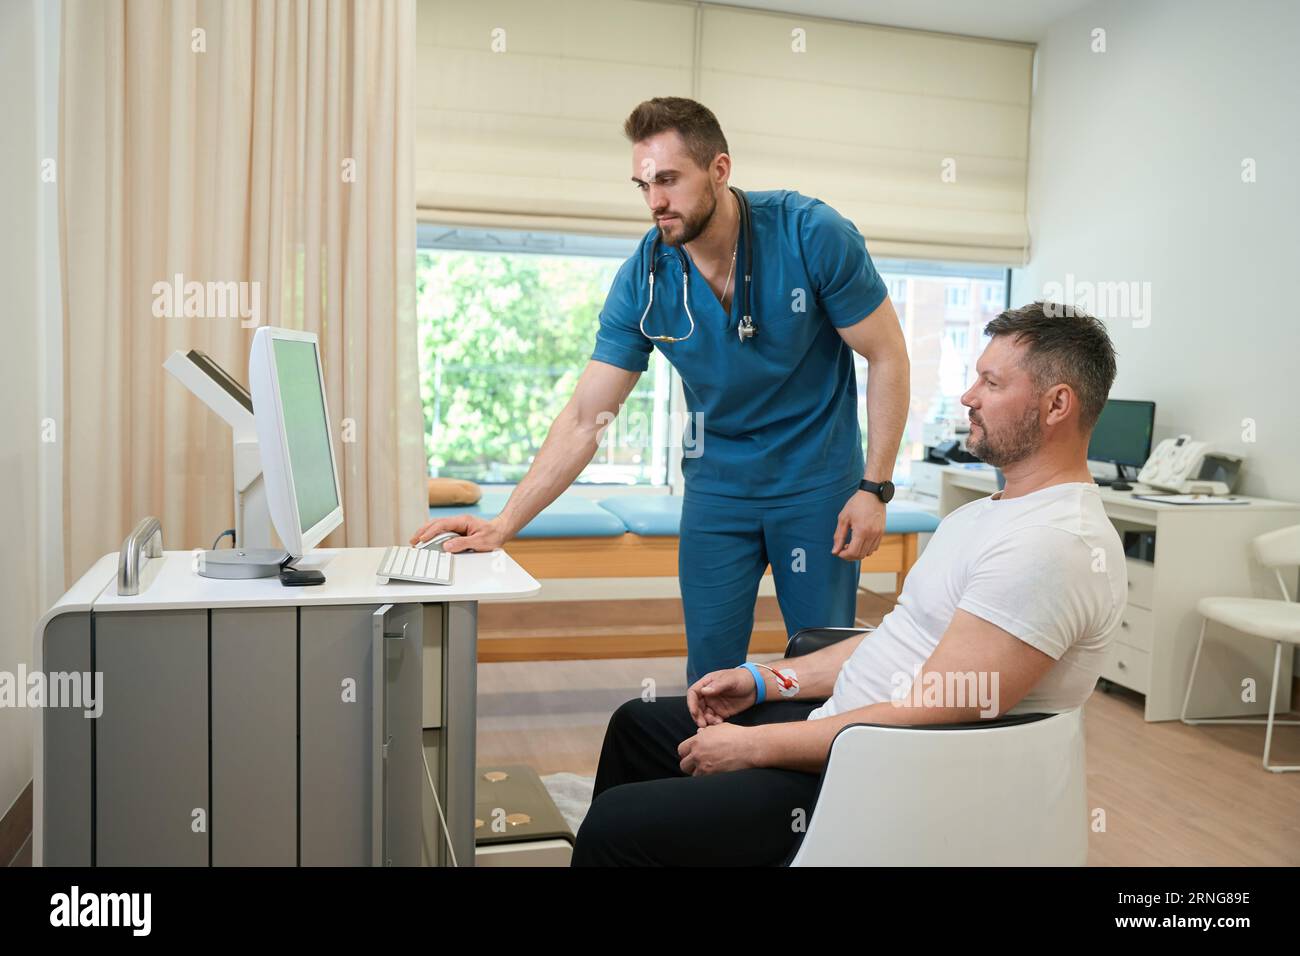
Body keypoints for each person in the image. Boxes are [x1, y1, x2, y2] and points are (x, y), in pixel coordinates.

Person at [571, 301, 1127, 866]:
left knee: (618, 827)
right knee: (637, 726)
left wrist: (755, 746)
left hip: (890, 779)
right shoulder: (985, 515)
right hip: (849, 729)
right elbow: (899, 638)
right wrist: (765, 681)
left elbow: (941, 709)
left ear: (1057, 404)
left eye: (991, 382)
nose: (968, 397)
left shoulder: (1052, 545)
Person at [410, 97, 910, 681]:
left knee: (821, 664)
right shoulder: (645, 277)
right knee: (710, 669)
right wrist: (503, 524)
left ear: (719, 170)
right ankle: (716, 770)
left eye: (668, 180)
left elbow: (887, 355)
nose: (655, 203)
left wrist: (874, 487)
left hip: (818, 485)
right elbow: (584, 418)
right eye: (643, 185)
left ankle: (818, 771)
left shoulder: (810, 233)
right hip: (718, 488)